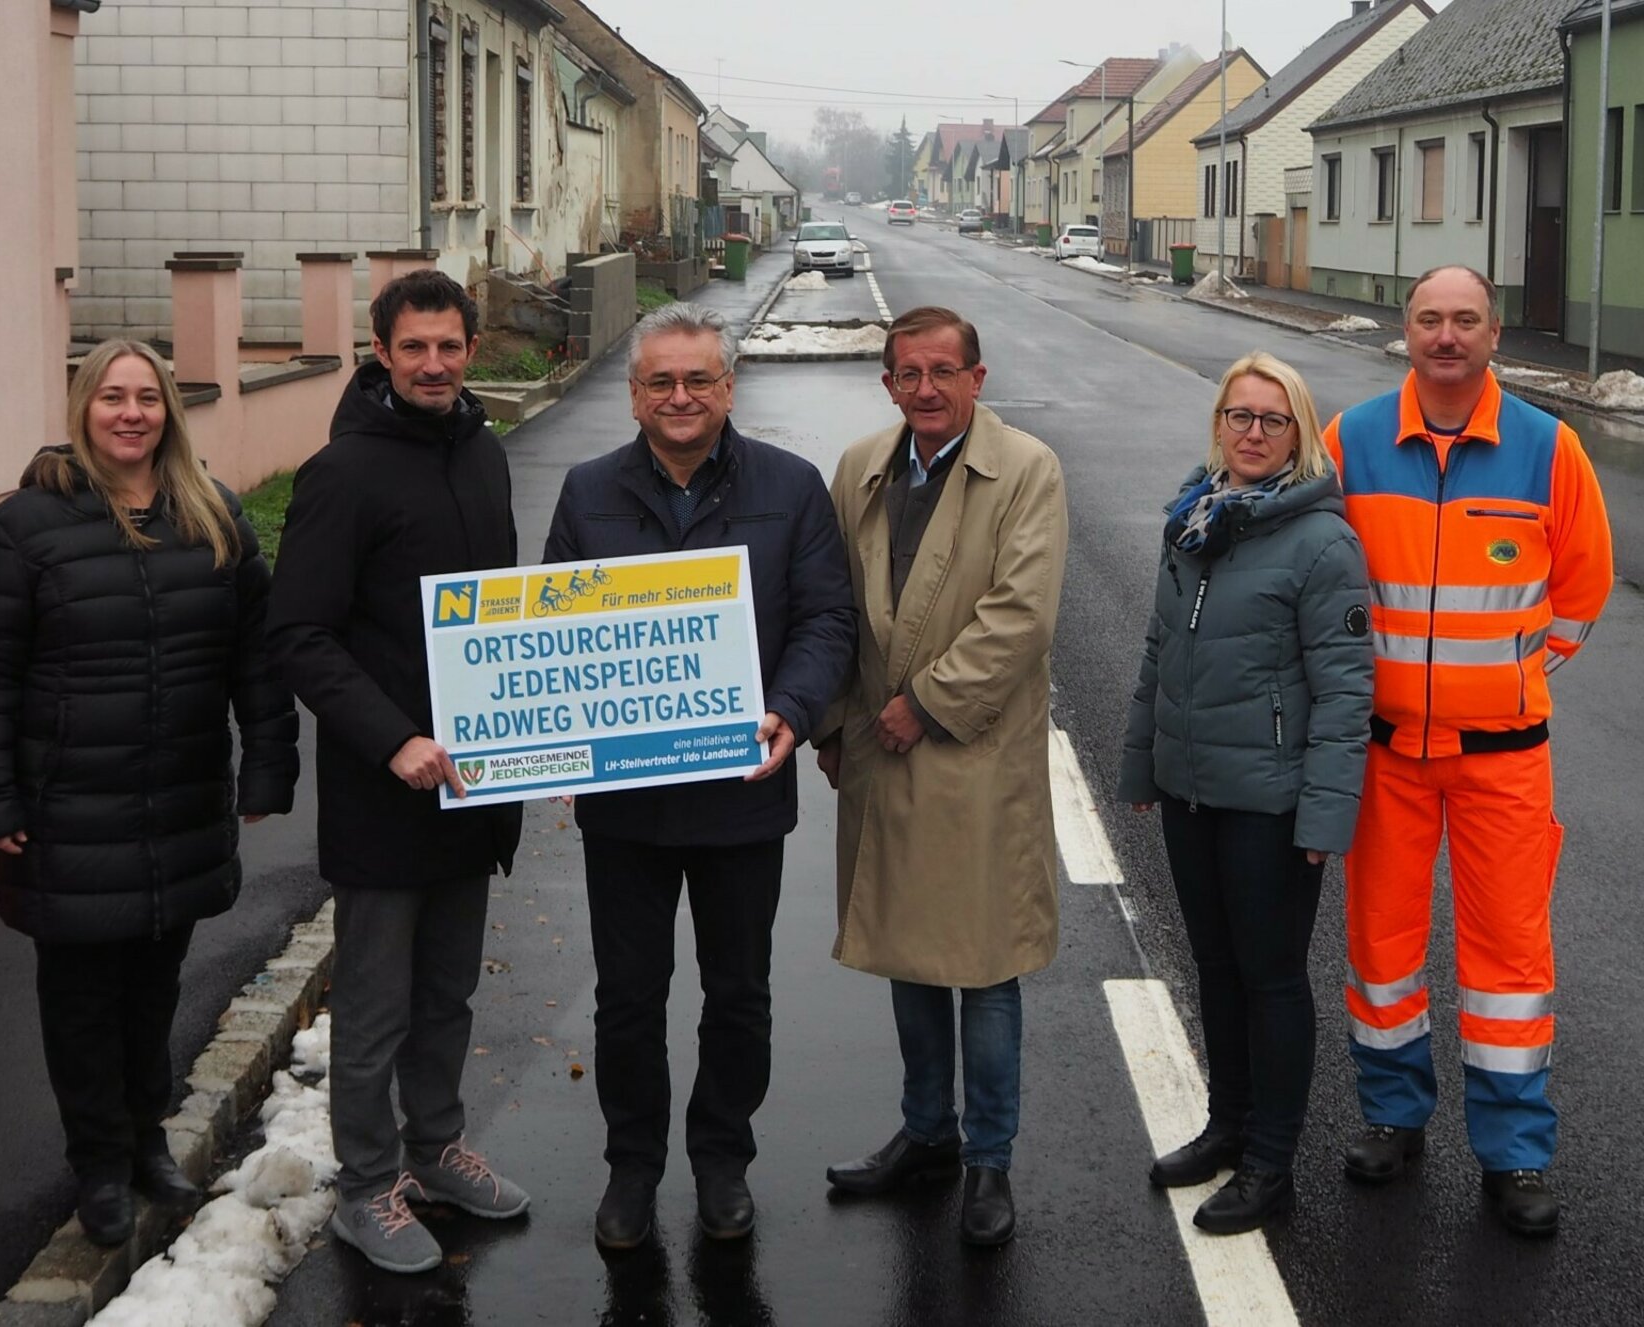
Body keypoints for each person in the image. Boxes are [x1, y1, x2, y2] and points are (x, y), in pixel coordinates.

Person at [0, 340, 298, 1247]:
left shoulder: (214, 516)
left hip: (177, 803)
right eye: (112, 396)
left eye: (148, 397)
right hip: (66, 807)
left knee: (153, 990)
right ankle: (97, 1163)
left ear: (171, 410)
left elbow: (253, 661)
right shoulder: (27, 526)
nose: (131, 412)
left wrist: (267, 764)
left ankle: (147, 1141)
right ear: (83, 409)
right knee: (81, 999)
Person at [544, 303, 856, 1251]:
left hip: (740, 796)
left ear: (729, 388)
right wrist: (553, 737)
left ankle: (722, 1159)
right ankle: (632, 1170)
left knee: (739, 992)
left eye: (699, 381)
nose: (680, 398)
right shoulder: (587, 490)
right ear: (634, 393)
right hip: (627, 807)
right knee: (627, 1000)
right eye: (661, 383)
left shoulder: (792, 487)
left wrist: (793, 710)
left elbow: (827, 621)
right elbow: (554, 637)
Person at [1324, 265, 1612, 1238]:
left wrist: (1517, 675)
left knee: (1507, 962)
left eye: (1463, 321)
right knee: (1381, 948)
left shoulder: (1546, 447)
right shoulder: (1350, 441)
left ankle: (1514, 1151)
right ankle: (1391, 1116)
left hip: (1502, 756)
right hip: (1384, 753)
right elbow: (1312, 574)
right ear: (1401, 332)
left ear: (1494, 335)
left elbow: (1579, 587)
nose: (1444, 337)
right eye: (1426, 320)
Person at [268, 270, 528, 1275]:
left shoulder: (483, 454)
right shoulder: (343, 473)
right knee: (375, 1003)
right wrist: (392, 739)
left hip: (472, 782)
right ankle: (365, 1185)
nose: (432, 364)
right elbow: (298, 632)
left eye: (449, 346)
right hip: (388, 787)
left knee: (448, 991)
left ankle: (434, 1150)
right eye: (412, 347)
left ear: (471, 347)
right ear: (380, 352)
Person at [814, 305, 1067, 1248]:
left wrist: (925, 702)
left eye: (943, 372)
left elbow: (1020, 616)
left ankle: (989, 1159)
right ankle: (927, 1133)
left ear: (977, 377)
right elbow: (834, 601)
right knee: (909, 954)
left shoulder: (1028, 470)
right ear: (888, 384)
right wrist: (835, 725)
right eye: (908, 374)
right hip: (879, 749)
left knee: (984, 967)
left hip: (973, 753)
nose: (926, 389)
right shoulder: (862, 469)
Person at [1117, 352, 1373, 1234]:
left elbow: (1345, 690)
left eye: (1273, 419)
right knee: (1216, 969)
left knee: (1270, 979)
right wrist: (1141, 761)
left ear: (1298, 432)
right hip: (1193, 788)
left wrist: (1327, 811)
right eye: (1239, 415)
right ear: (1218, 423)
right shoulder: (1191, 521)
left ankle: (1271, 1161)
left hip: (1270, 801)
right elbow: (1159, 648)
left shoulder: (1322, 541)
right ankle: (1226, 1127)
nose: (1253, 432)